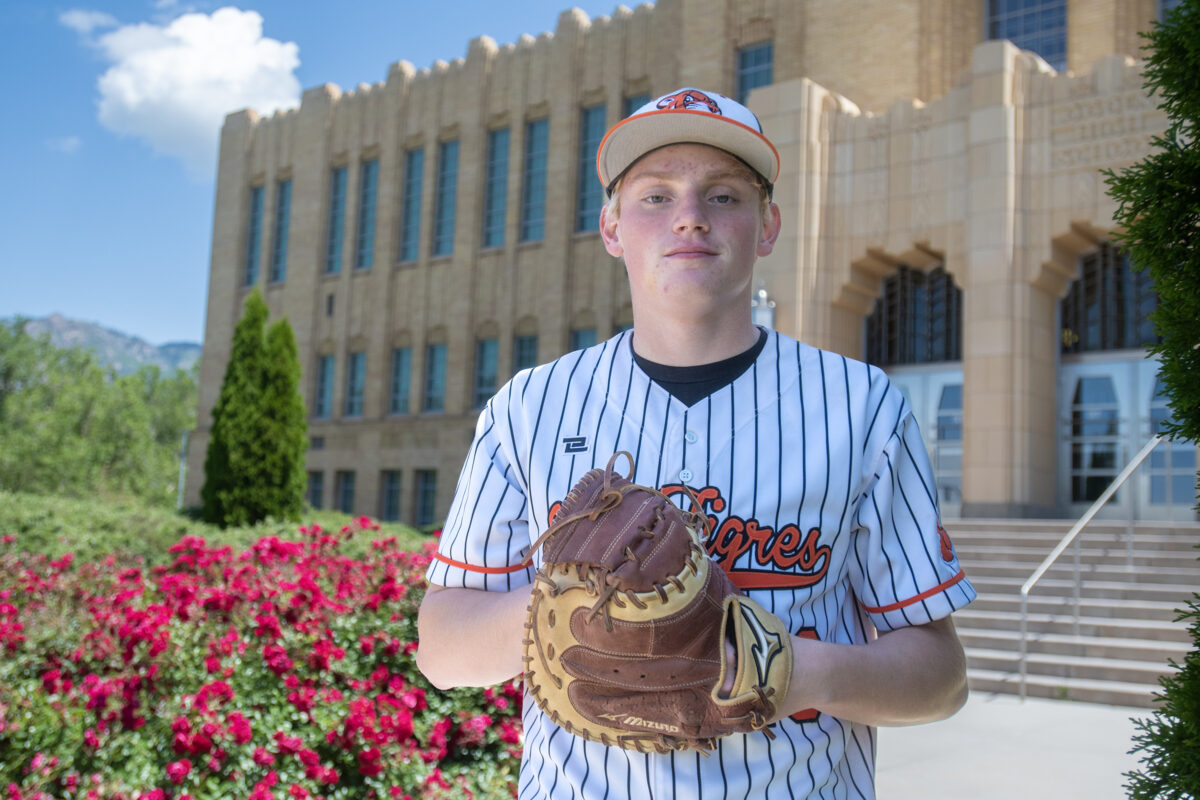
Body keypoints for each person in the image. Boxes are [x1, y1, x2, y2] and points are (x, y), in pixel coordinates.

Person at [417, 87, 976, 798]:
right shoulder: (527, 407)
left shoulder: (862, 405)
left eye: (723, 196)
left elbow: (940, 679)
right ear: (612, 227)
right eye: (656, 196)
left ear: (767, 226)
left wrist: (796, 671)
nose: (689, 217)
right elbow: (442, 648)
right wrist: (574, 604)